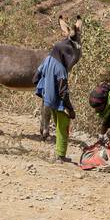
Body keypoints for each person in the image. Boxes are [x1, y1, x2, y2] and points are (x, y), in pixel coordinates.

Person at [34, 21, 81, 162]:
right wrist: (70, 109)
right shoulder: (61, 69)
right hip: (60, 104)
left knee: (58, 127)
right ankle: (60, 156)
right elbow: (63, 92)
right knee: (63, 129)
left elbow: (36, 76)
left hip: (48, 100)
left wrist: (46, 90)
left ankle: (58, 154)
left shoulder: (48, 59)